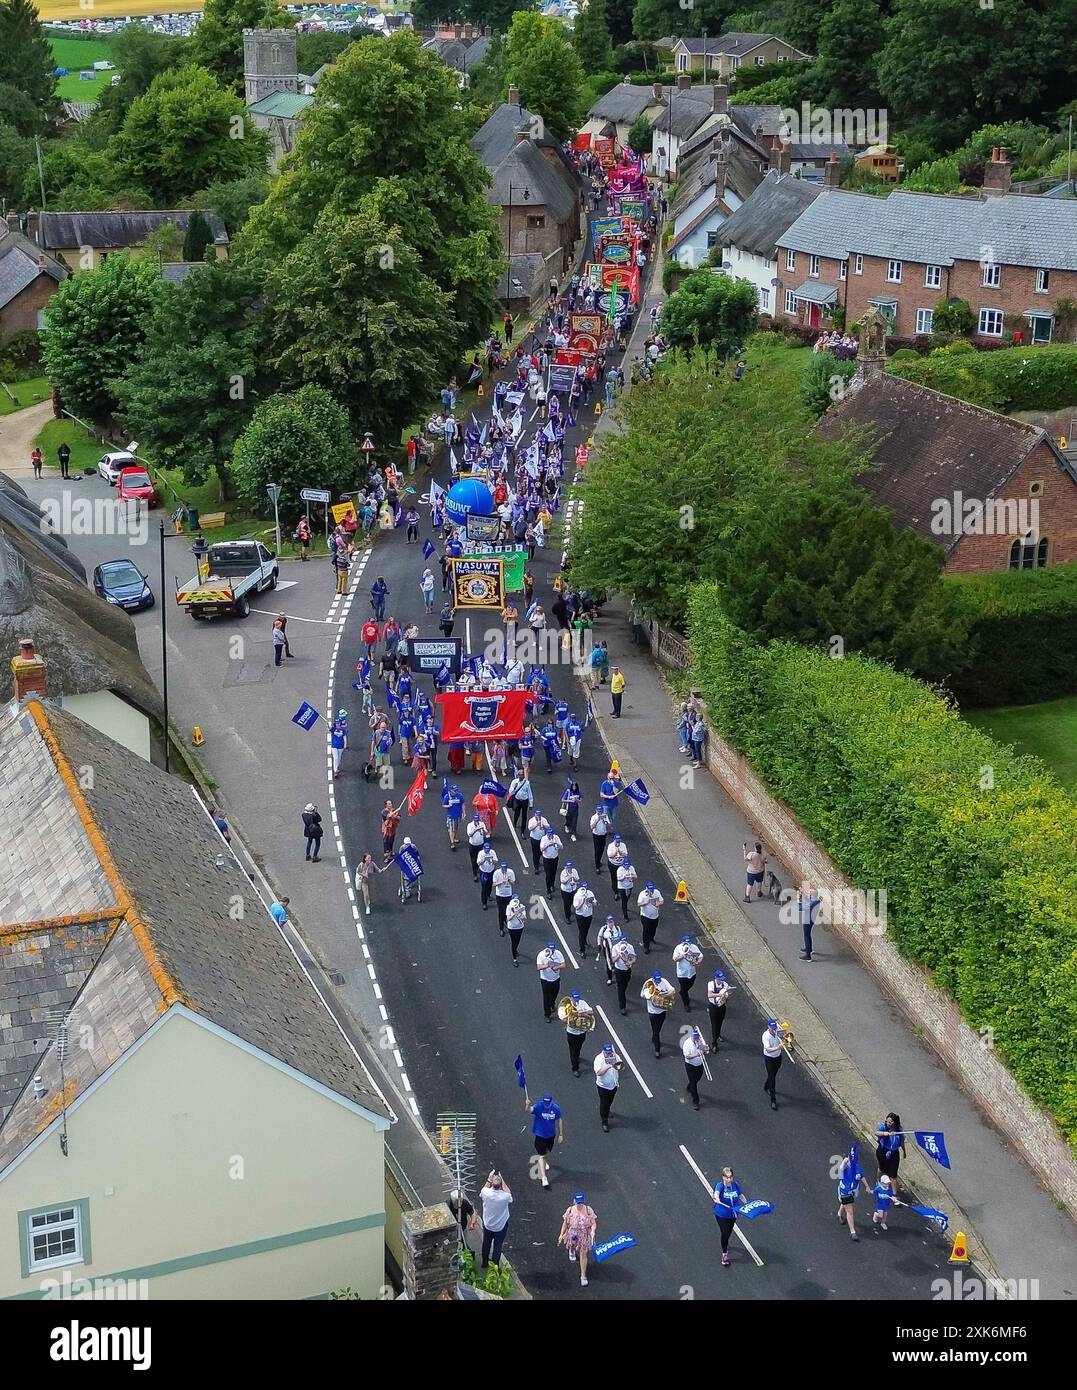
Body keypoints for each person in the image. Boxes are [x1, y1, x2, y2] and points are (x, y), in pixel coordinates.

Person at [558, 1192, 598, 1288]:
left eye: (581, 1202)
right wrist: (561, 1235)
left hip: (584, 1235)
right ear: (574, 1201)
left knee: (583, 1254)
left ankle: (583, 1275)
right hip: (572, 1233)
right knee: (571, 1244)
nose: (579, 1204)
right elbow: (565, 1224)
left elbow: (593, 1223)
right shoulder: (570, 1210)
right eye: (578, 1202)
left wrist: (593, 1230)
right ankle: (571, 1251)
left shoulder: (588, 1210)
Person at [712, 1166, 749, 1268]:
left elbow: (741, 1195)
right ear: (723, 1177)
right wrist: (717, 1198)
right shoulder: (720, 1186)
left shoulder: (735, 1185)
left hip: (733, 1214)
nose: (729, 1179)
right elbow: (716, 1194)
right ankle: (724, 1255)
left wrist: (747, 1204)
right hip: (721, 1214)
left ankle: (725, 1243)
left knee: (728, 1232)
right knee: (724, 1232)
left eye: (731, 1177)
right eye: (727, 1177)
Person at [478, 1171, 513, 1268]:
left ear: (492, 1183)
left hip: (488, 1225)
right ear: (500, 1184)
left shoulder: (486, 1192)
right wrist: (502, 1179)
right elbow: (508, 1193)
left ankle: (484, 1263)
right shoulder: (505, 1197)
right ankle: (495, 1267)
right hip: (500, 1227)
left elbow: (482, 1190)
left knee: (486, 1243)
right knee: (497, 1246)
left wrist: (489, 1178)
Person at [529, 1093, 563, 1188]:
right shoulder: (539, 1106)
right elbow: (529, 1110)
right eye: (545, 1102)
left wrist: (560, 1133)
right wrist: (527, 1105)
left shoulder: (556, 1108)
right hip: (540, 1135)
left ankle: (543, 1161)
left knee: (545, 1153)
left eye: (548, 1103)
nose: (546, 1104)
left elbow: (559, 1119)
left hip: (550, 1135)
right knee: (542, 1155)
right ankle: (544, 1177)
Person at [836, 1150, 869, 1241]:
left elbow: (861, 1176)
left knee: (846, 1205)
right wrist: (843, 1162)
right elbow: (839, 1173)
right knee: (850, 1211)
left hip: (853, 1192)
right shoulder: (845, 1167)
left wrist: (867, 1186)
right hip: (845, 1192)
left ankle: (839, 1213)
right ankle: (852, 1231)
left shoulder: (858, 1169)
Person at [641, 972, 675, 1057]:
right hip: (652, 1012)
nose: (658, 981)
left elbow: (672, 990)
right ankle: (657, 1049)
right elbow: (642, 994)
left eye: (659, 979)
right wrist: (650, 996)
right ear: (652, 979)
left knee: (658, 1028)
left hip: (662, 1010)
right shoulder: (648, 983)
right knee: (656, 1031)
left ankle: (654, 1037)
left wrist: (664, 994)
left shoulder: (663, 981)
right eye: (656, 980)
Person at [875, 1114, 907, 1195]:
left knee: (893, 1174)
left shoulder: (899, 1130)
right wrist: (887, 1134)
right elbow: (877, 1133)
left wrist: (904, 1151)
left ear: (894, 1122)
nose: (889, 1123)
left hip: (894, 1153)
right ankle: (879, 1181)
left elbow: (902, 1141)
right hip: (883, 1151)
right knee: (882, 1169)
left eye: (891, 1122)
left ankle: (894, 1195)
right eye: (887, 1121)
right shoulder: (883, 1127)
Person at [563, 991, 593, 1076]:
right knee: (573, 1050)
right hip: (571, 1033)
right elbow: (564, 1018)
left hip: (581, 1032)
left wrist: (582, 1013)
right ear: (571, 998)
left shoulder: (582, 1003)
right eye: (574, 999)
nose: (576, 1001)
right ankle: (575, 1068)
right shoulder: (567, 1006)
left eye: (577, 999)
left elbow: (591, 1011)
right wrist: (572, 1015)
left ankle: (576, 1057)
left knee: (578, 1047)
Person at [594, 1042, 622, 1132]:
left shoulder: (615, 1056)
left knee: (610, 1101)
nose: (609, 1054)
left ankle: (607, 1110)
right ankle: (604, 1121)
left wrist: (616, 1064)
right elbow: (599, 1072)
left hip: (613, 1085)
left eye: (610, 1052)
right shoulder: (599, 1059)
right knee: (604, 1103)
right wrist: (609, 1066)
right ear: (604, 1051)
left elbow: (621, 1066)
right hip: (603, 1087)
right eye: (607, 1053)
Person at [682, 1026, 710, 1110]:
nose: (696, 1041)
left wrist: (705, 1050)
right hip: (690, 1065)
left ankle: (689, 1086)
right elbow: (687, 1056)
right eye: (695, 1040)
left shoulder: (700, 1042)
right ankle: (696, 1101)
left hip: (700, 1064)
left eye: (697, 1039)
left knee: (697, 1079)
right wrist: (697, 1055)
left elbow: (706, 1050)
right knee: (694, 1082)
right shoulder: (687, 1044)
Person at [537, 940, 567, 1020]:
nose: (552, 951)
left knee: (554, 994)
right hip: (545, 979)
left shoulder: (558, 954)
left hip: (556, 978)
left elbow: (563, 965)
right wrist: (547, 965)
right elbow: (539, 967)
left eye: (553, 949)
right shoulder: (542, 955)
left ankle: (552, 1004)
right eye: (550, 949)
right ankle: (547, 1014)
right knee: (546, 997)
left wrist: (556, 967)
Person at [673, 935, 704, 1010]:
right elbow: (674, 959)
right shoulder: (678, 948)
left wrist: (697, 962)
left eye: (689, 943)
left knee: (689, 985)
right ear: (682, 942)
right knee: (684, 990)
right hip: (682, 974)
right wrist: (683, 955)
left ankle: (683, 992)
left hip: (692, 972)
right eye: (686, 943)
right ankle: (686, 1004)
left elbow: (701, 956)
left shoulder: (693, 947)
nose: (688, 945)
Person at [762, 1018, 785, 1111]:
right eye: (772, 1028)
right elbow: (768, 1049)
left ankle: (766, 1086)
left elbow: (784, 1037)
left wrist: (785, 1039)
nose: (774, 1030)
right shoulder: (766, 1036)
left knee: (773, 1074)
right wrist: (778, 1047)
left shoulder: (777, 1031)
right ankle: (773, 1100)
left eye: (775, 1028)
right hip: (769, 1059)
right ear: (768, 1027)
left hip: (778, 1057)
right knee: (772, 1078)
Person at [611, 931, 636, 1016]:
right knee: (620, 988)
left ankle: (622, 995)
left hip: (627, 970)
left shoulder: (630, 947)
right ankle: (622, 1007)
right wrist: (619, 955)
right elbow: (613, 960)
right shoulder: (615, 947)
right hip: (619, 971)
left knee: (625, 984)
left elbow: (633, 958)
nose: (624, 944)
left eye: (625, 942)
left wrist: (629, 962)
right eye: (622, 942)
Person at [637, 881, 663, 955]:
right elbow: (639, 904)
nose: (651, 891)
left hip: (655, 915)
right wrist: (645, 902)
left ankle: (651, 938)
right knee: (646, 931)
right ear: (646, 889)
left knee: (654, 929)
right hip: (645, 916)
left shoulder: (657, 892)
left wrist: (658, 903)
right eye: (650, 890)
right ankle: (646, 946)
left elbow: (662, 901)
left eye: (652, 889)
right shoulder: (642, 894)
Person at [707, 970, 731, 1049]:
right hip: (713, 1006)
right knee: (714, 1024)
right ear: (715, 977)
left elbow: (727, 996)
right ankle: (714, 1043)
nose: (721, 980)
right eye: (719, 978)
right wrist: (720, 994)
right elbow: (709, 995)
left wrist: (726, 996)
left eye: (722, 978)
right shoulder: (711, 984)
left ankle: (718, 1034)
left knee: (720, 1021)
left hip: (722, 1006)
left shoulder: (725, 984)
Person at [798, 881, 822, 961]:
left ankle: (808, 956)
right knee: (808, 935)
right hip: (811, 919)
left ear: (812, 896)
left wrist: (798, 898)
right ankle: (809, 949)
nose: (808, 893)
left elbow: (800, 908)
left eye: (809, 893)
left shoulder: (811, 903)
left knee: (806, 935)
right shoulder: (815, 900)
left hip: (808, 920)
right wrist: (802, 893)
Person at [572, 880, 597, 954]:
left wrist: (591, 903)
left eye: (585, 888)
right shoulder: (577, 895)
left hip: (588, 915)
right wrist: (582, 901)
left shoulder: (590, 893)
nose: (584, 890)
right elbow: (577, 908)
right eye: (583, 888)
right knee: (581, 932)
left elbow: (595, 903)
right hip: (580, 916)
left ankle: (584, 941)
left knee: (586, 930)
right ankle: (582, 950)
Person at [540, 825, 563, 899]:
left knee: (553, 872)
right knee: (548, 875)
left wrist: (556, 845)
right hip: (547, 859)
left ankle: (552, 885)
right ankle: (548, 891)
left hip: (555, 858)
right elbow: (542, 849)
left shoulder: (556, 838)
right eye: (549, 835)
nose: (550, 836)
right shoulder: (544, 839)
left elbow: (561, 847)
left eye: (551, 835)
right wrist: (548, 845)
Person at [492, 860, 516, 932]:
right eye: (502, 869)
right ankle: (501, 928)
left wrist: (508, 880)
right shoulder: (497, 873)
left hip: (508, 894)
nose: (504, 870)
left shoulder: (510, 872)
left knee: (508, 910)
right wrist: (501, 882)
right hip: (500, 894)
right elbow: (494, 884)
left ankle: (506, 921)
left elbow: (513, 883)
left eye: (505, 869)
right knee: (500, 911)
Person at [505, 893, 527, 965]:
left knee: (517, 941)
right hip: (512, 928)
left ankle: (515, 950)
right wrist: (513, 914)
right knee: (513, 942)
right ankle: (514, 959)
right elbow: (508, 919)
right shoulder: (509, 907)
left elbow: (525, 918)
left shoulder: (522, 907)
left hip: (520, 927)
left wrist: (519, 914)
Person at [590, 805, 611, 873]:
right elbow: (592, 827)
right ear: (596, 811)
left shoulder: (605, 816)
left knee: (602, 849)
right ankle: (597, 867)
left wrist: (605, 821)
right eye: (598, 811)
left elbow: (608, 825)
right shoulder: (594, 817)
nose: (600, 813)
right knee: (597, 851)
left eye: (601, 811)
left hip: (603, 835)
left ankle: (598, 861)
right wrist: (598, 820)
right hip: (596, 835)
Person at [466, 811, 487, 880]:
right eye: (475, 821)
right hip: (473, 845)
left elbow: (485, 831)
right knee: (473, 859)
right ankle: (475, 874)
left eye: (477, 820)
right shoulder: (470, 825)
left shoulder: (482, 824)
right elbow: (469, 835)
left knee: (481, 858)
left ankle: (479, 870)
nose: (476, 822)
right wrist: (475, 830)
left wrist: (483, 830)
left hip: (481, 844)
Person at [477, 841, 498, 909]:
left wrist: (491, 860)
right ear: (483, 849)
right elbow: (479, 863)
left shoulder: (492, 852)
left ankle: (488, 895)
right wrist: (484, 860)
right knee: (484, 886)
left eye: (488, 849)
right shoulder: (481, 853)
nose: (487, 851)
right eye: (486, 849)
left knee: (490, 884)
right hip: (483, 872)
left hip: (491, 871)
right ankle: (484, 902)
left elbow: (496, 862)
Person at [330, 709, 348, 778]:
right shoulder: (333, 729)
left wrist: (345, 745)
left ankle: (337, 767)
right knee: (336, 758)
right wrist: (328, 726)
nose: (337, 724)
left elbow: (344, 737)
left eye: (338, 723)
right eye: (336, 723)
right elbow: (329, 728)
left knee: (339, 758)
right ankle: (335, 771)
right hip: (334, 746)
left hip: (341, 746)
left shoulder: (343, 730)